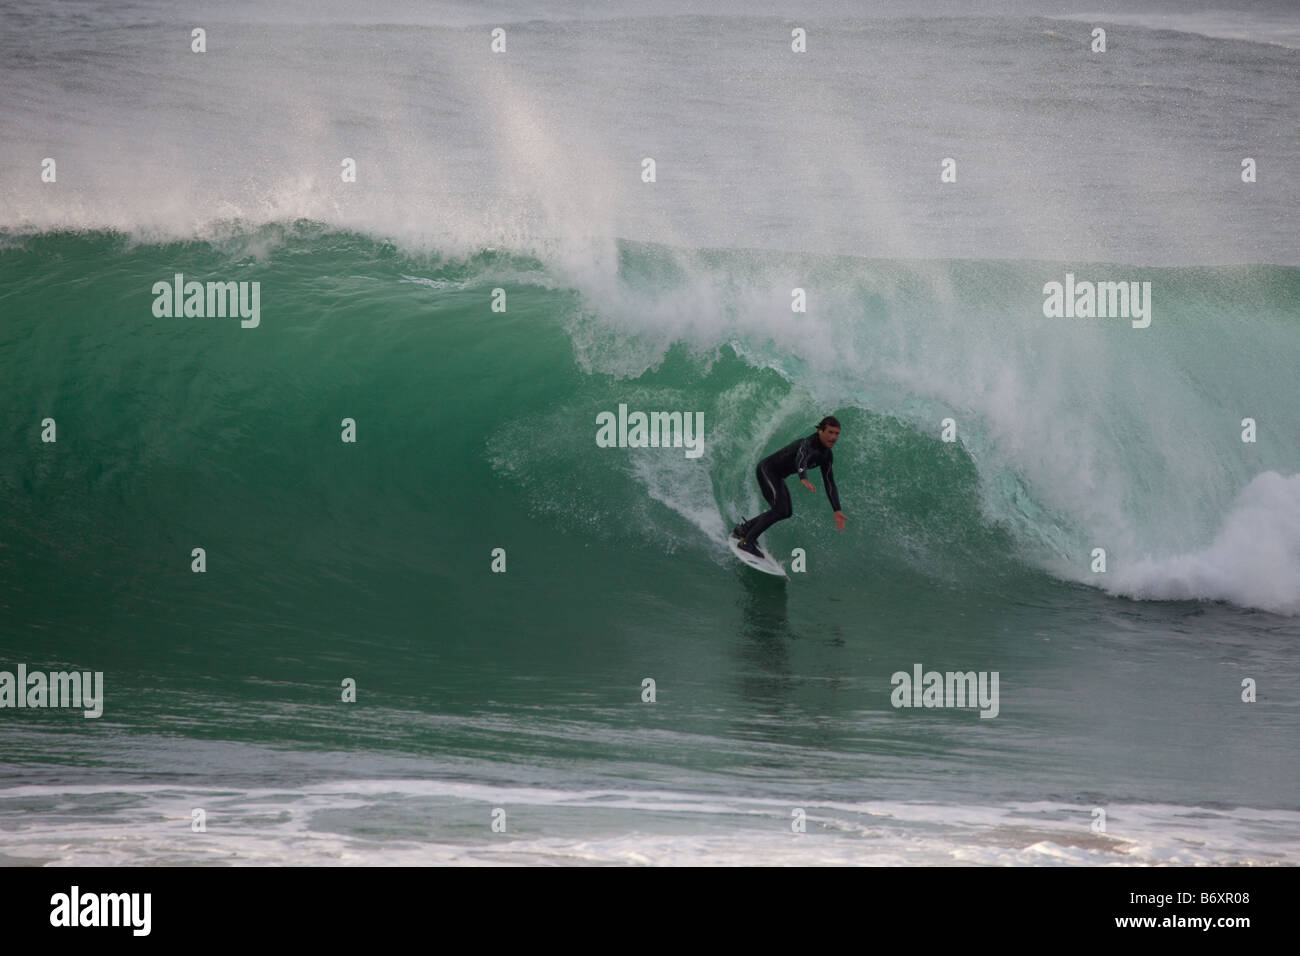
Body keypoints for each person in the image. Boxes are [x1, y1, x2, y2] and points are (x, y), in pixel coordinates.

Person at [732, 416, 847, 557]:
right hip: (767, 471)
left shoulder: (827, 455)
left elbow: (829, 481)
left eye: (837, 433)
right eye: (830, 432)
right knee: (779, 510)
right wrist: (803, 476)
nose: (834, 437)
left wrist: (837, 510)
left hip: (777, 477)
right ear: (820, 431)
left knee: (786, 511)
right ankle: (746, 543)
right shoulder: (807, 444)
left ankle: (744, 530)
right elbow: (802, 458)